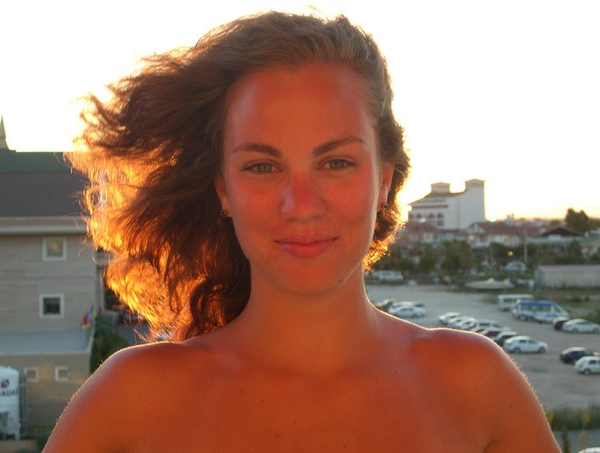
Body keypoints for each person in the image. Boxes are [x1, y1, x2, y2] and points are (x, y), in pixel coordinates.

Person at [45, 11, 559, 452]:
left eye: (336, 162)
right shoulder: (132, 399)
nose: (301, 205)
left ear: (384, 180)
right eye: (263, 167)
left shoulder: (476, 384)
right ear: (223, 189)